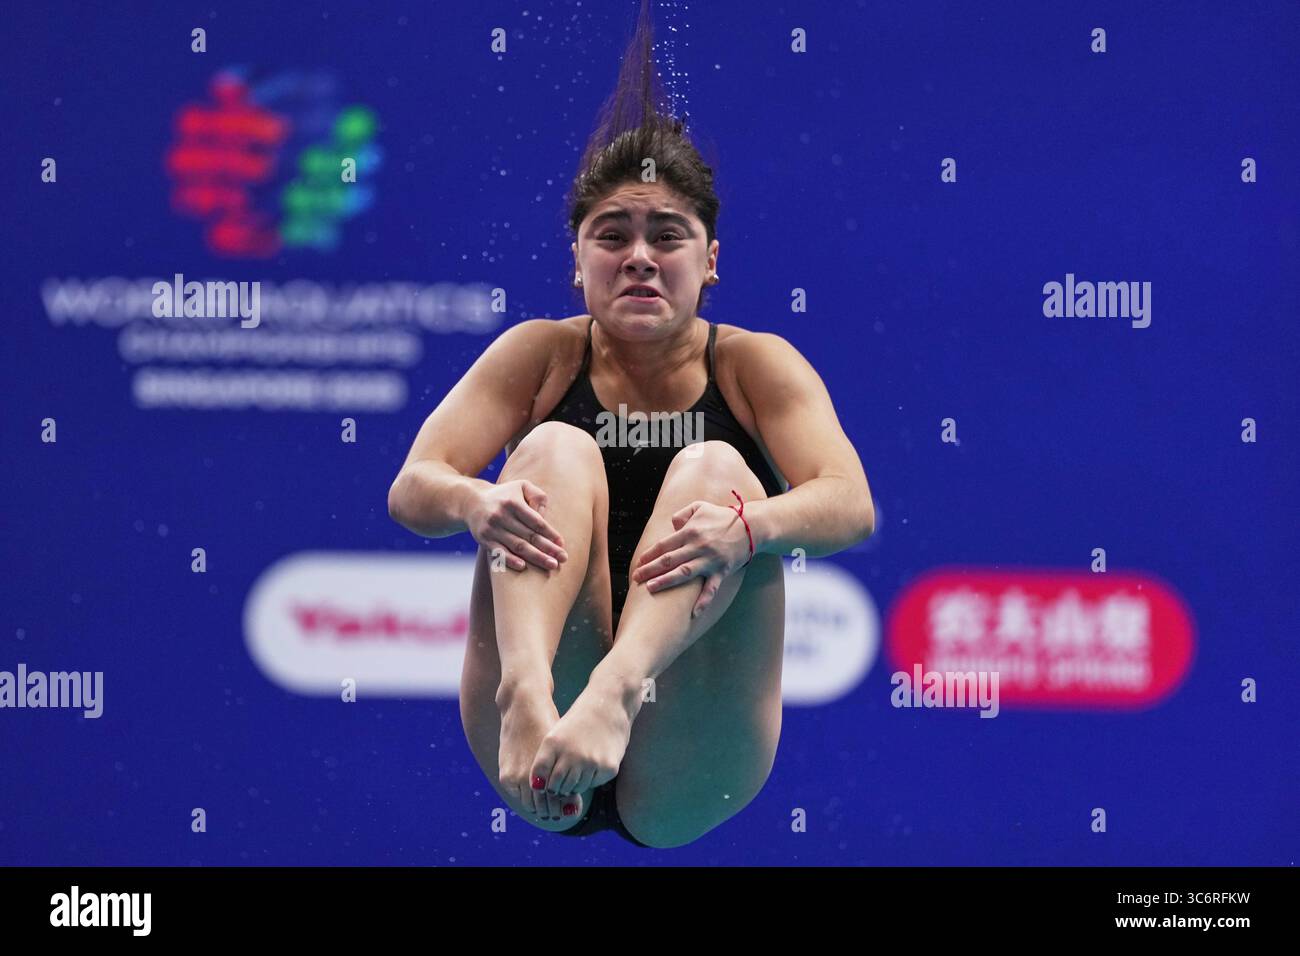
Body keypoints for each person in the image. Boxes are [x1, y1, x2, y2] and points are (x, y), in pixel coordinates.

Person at [387, 0, 875, 849]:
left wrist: (751, 527)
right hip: (540, 720)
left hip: (691, 745)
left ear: (711, 261)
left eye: (668, 235)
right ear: (576, 262)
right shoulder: (538, 355)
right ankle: (527, 690)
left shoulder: (755, 364)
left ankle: (617, 689)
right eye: (611, 235)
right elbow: (412, 489)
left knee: (717, 469)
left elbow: (849, 508)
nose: (640, 255)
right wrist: (472, 502)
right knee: (553, 449)